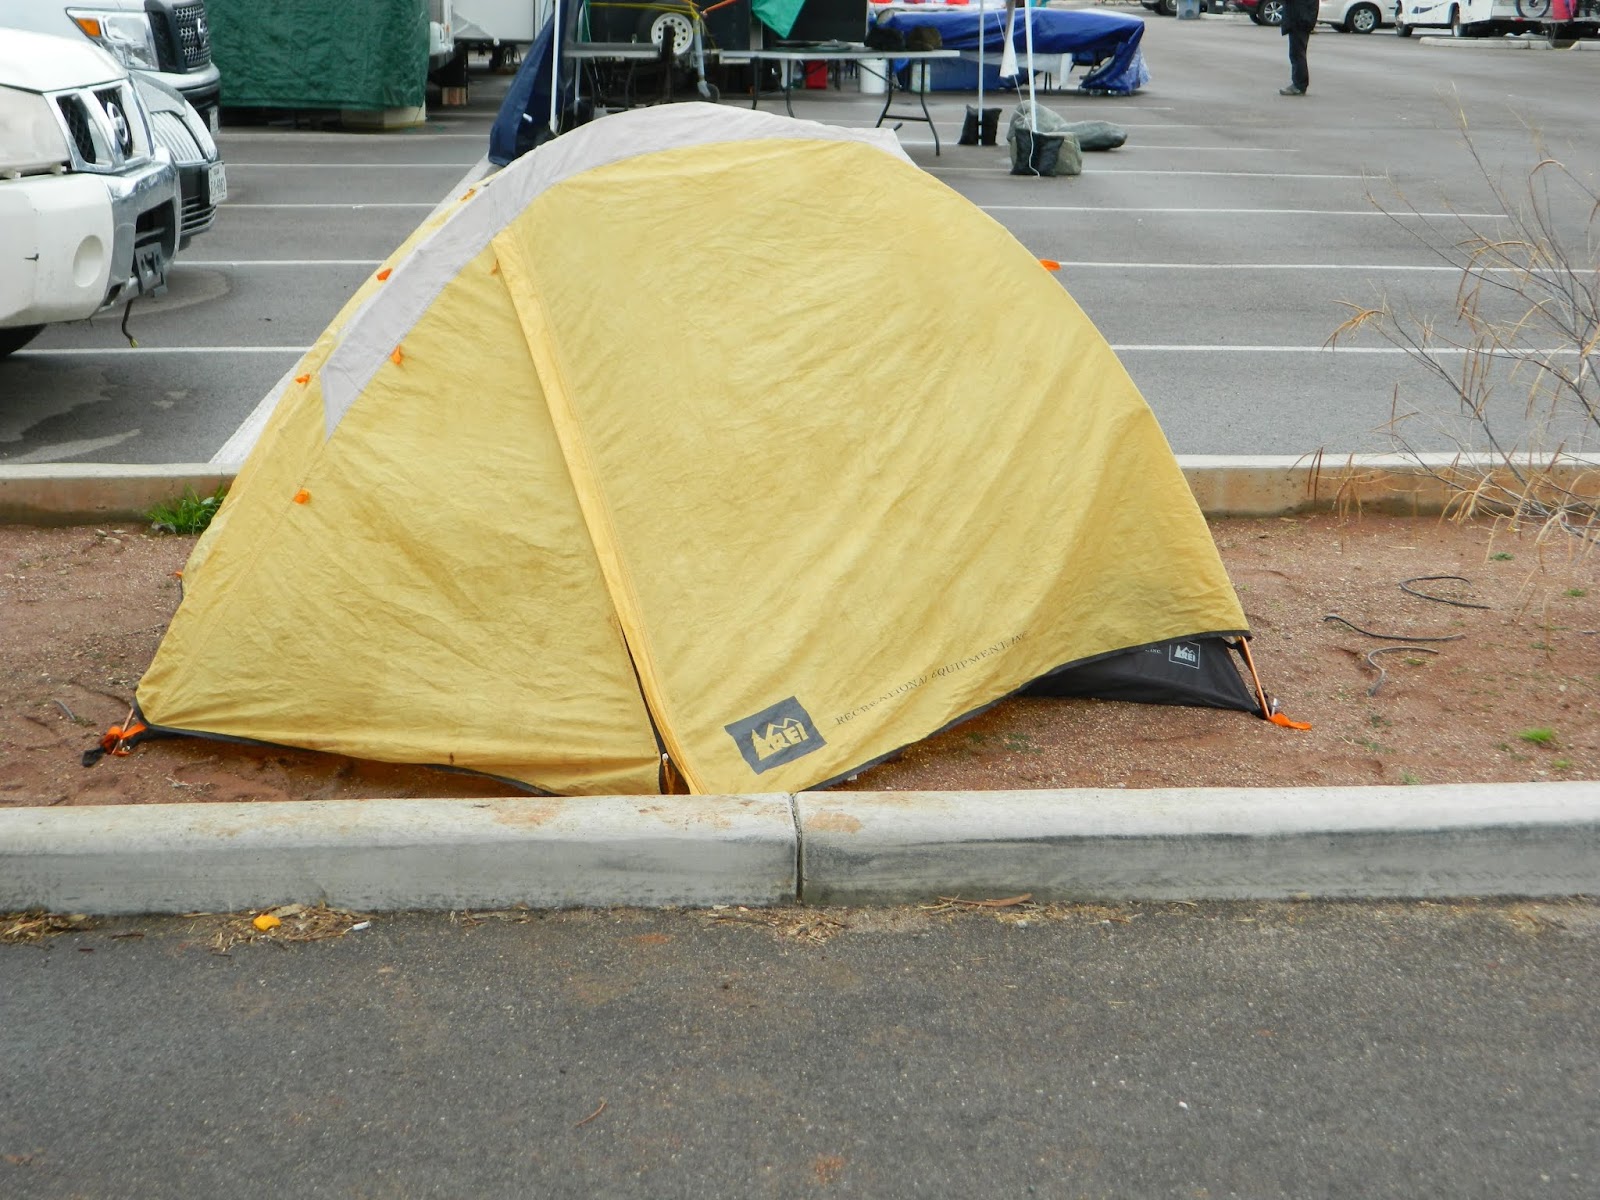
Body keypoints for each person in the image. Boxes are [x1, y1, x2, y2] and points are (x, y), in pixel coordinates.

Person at [1280, 0, 1318, 96]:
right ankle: (1299, 84)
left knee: (1297, 54)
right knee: (1297, 53)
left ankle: (1299, 85)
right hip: (1303, 18)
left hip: (1299, 20)